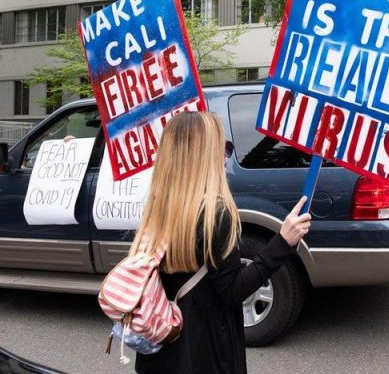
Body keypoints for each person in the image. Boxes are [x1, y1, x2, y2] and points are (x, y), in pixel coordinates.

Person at [132, 111, 311, 374]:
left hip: (161, 348)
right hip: (205, 351)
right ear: (203, 155)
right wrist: (282, 242)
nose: (227, 155)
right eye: (224, 146)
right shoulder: (216, 213)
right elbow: (233, 291)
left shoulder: (159, 204)